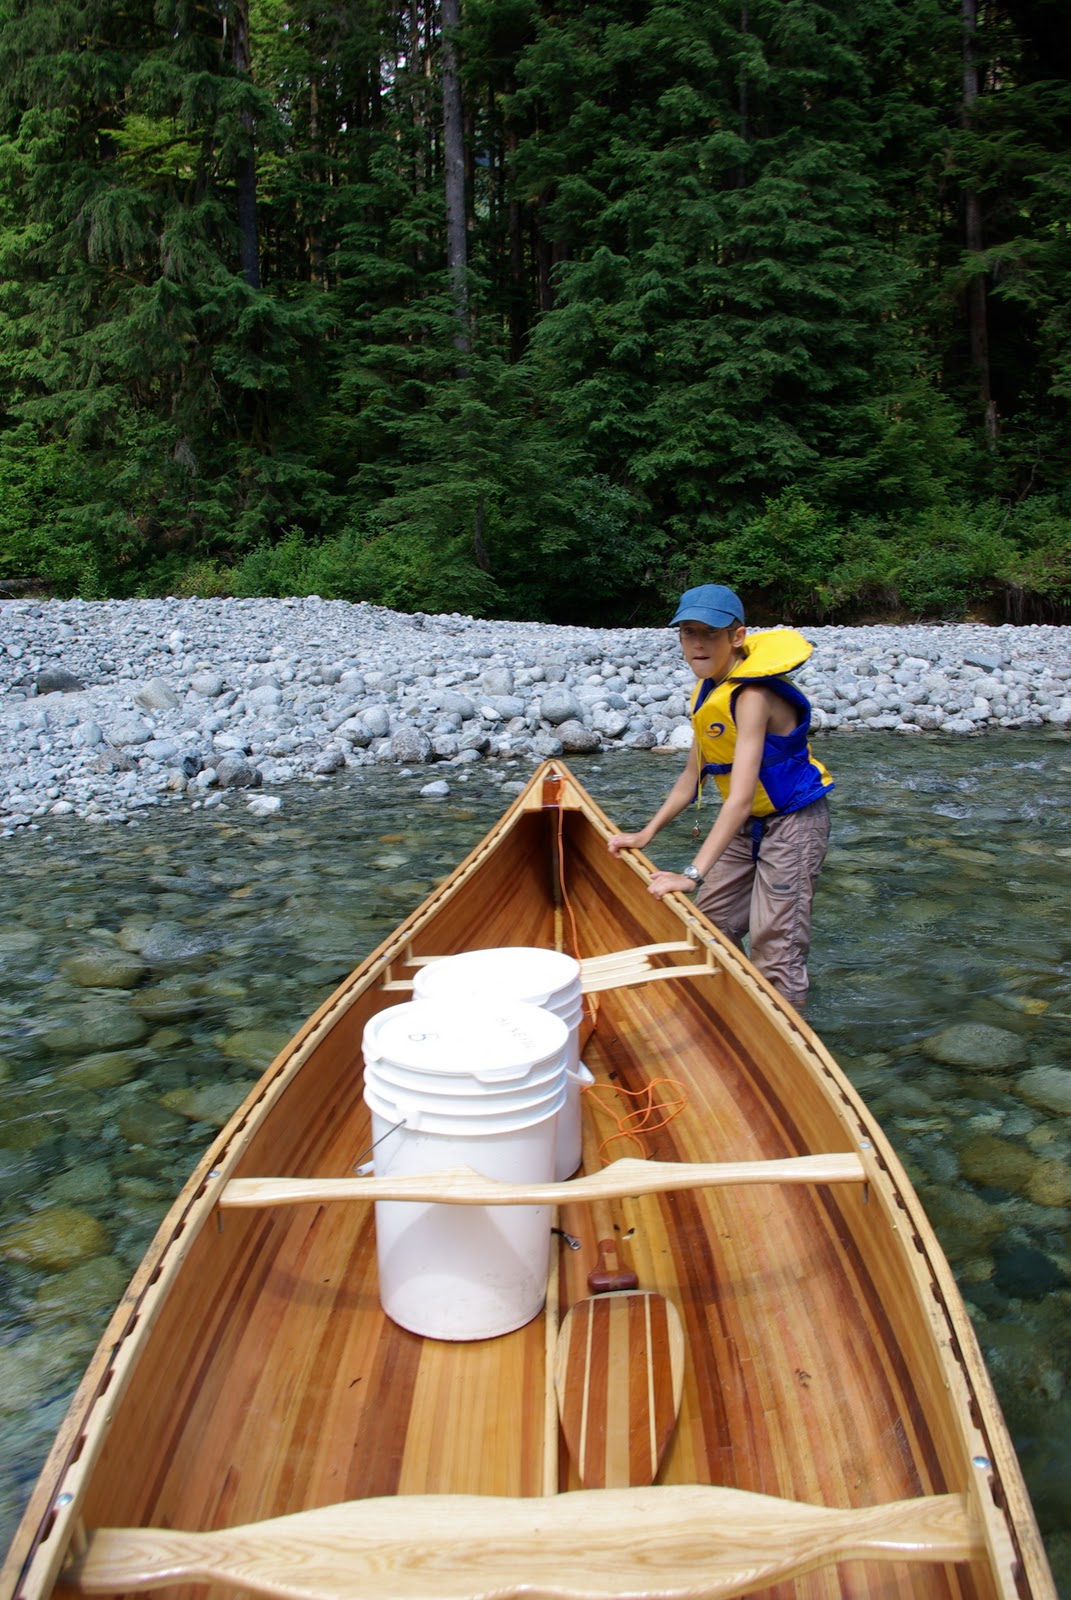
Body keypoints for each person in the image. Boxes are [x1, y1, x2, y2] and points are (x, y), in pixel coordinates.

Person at [607, 584, 833, 1008]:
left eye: (710, 633)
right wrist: (645, 834)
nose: (698, 643)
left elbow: (740, 798)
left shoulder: (752, 696)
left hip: (794, 823)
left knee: (775, 946)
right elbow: (691, 777)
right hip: (748, 823)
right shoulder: (707, 691)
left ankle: (788, 1028)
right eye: (688, 632)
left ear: (737, 636)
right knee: (710, 924)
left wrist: (691, 875)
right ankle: (724, 1011)